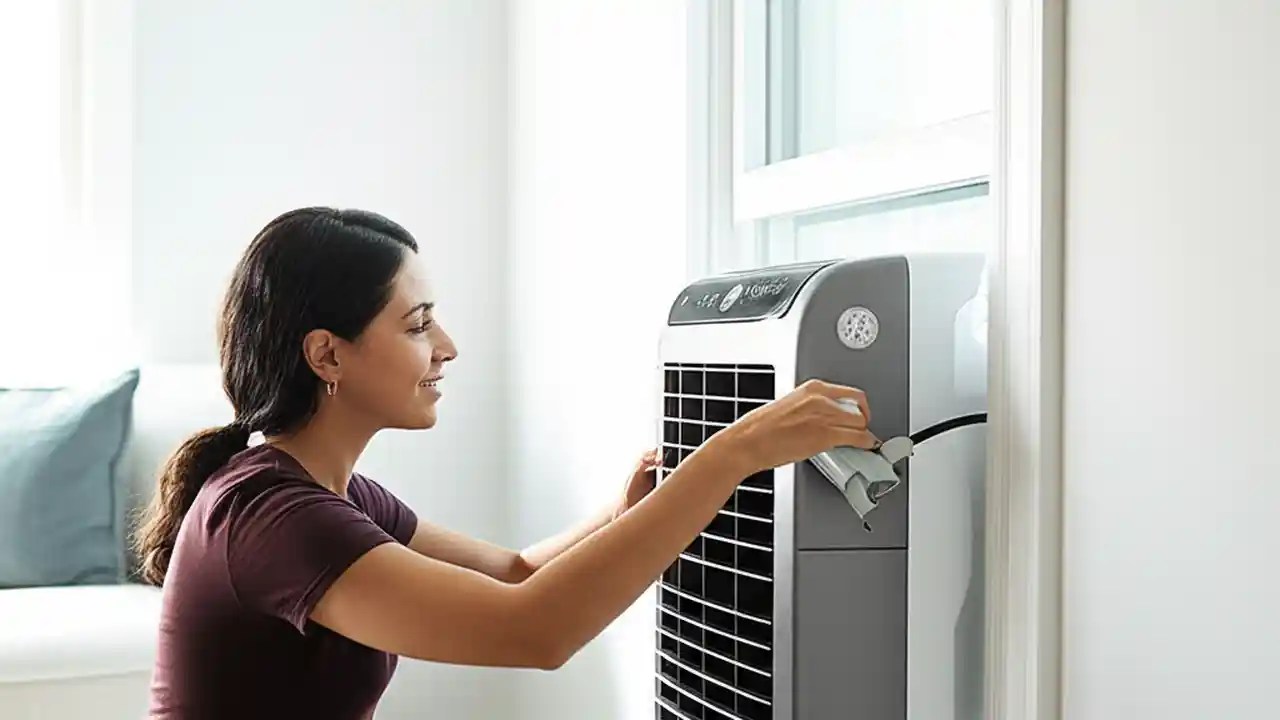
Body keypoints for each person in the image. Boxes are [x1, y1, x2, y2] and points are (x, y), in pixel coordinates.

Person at [131, 207, 878, 719]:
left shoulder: (329, 495)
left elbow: (514, 574)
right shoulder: (275, 519)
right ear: (327, 353)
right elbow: (535, 630)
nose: (447, 346)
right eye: (419, 324)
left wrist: (624, 512)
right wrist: (736, 453)